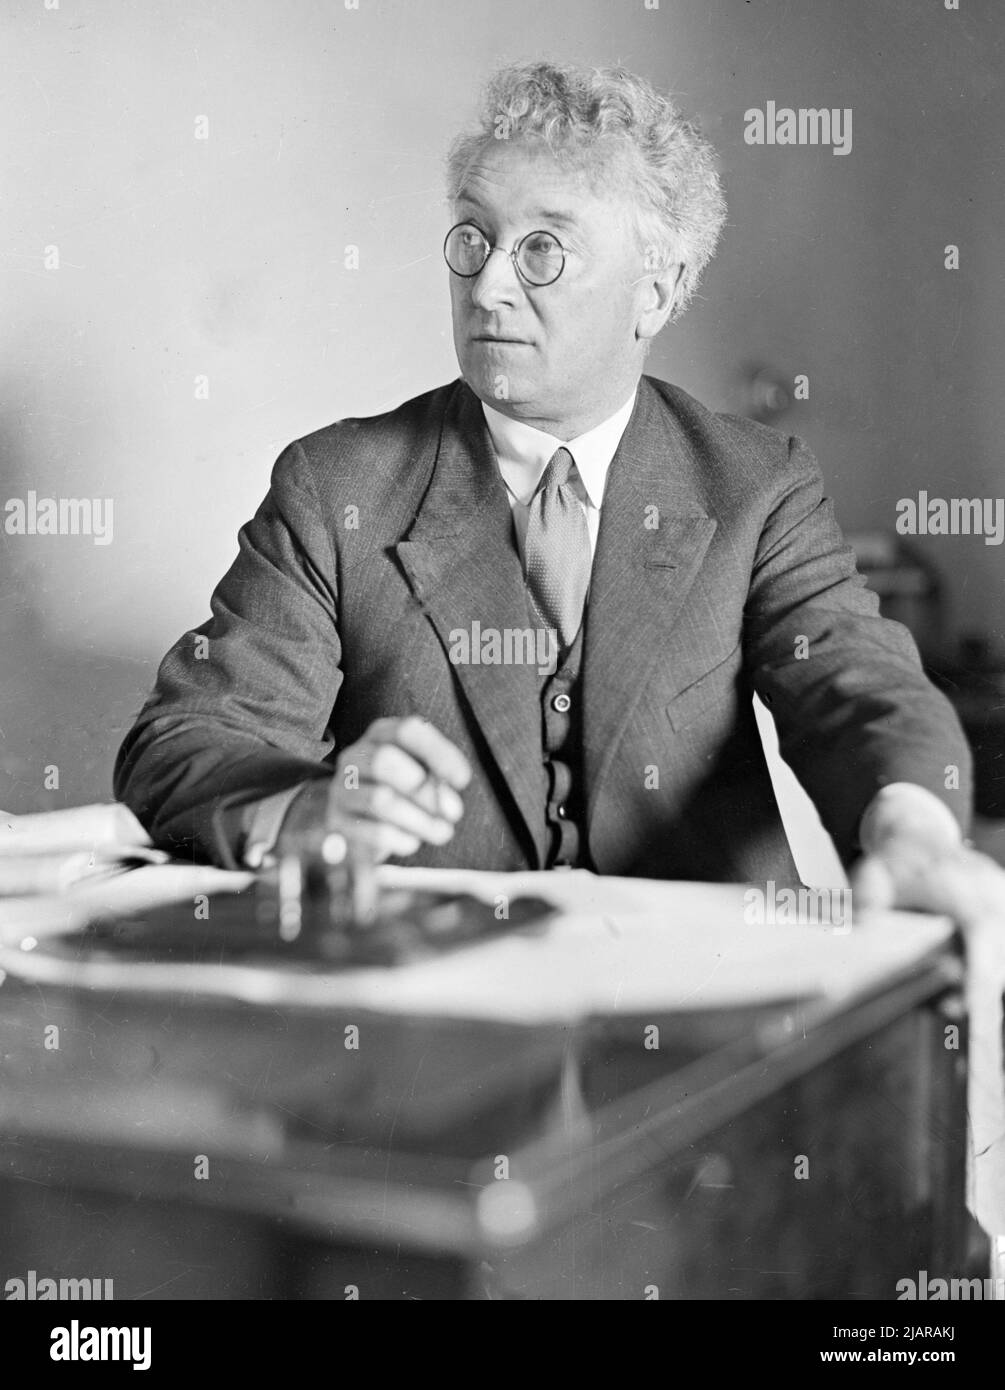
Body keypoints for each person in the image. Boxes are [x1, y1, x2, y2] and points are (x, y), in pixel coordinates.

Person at [114, 61, 997, 923]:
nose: (489, 287)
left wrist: (911, 826)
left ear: (655, 291)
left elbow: (853, 686)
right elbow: (189, 739)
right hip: (437, 1015)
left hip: (709, 998)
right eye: (473, 237)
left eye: (542, 249)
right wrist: (302, 812)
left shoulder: (755, 483)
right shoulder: (335, 486)